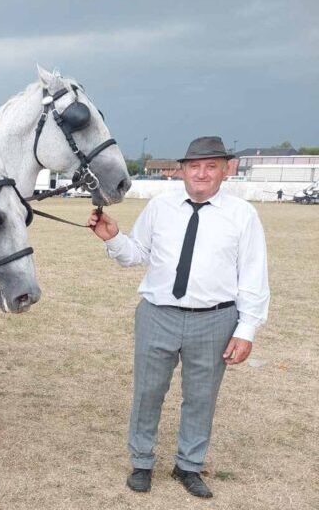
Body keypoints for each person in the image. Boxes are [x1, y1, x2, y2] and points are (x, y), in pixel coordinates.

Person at [88, 136, 269, 498]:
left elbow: (253, 274)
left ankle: (189, 464)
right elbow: (137, 253)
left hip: (215, 320)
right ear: (182, 170)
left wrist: (246, 329)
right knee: (148, 392)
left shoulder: (242, 215)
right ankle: (141, 461)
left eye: (211, 166)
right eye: (195, 166)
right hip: (158, 315)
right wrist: (113, 237)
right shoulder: (160, 207)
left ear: (225, 170)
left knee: (201, 396)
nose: (202, 173)